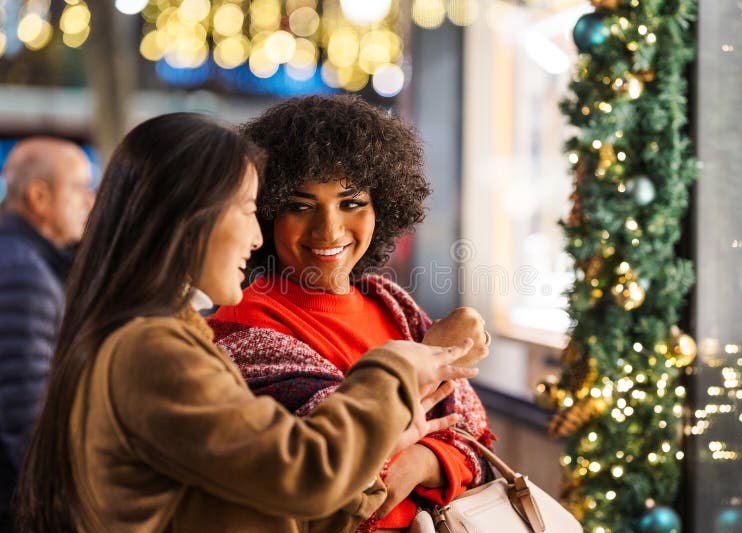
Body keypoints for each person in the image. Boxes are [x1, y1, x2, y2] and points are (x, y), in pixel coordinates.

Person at [13, 113, 479, 533]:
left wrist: (403, 457)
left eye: (351, 202)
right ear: (188, 218)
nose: (257, 236)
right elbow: (306, 471)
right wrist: (394, 365)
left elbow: (268, 496)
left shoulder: (164, 336)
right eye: (249, 209)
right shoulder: (153, 350)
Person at [210, 95, 494, 532]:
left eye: (351, 202)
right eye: (301, 206)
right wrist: (431, 358)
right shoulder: (241, 328)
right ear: (266, 214)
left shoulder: (393, 305)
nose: (329, 229)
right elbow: (336, 468)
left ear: (382, 204)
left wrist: (423, 461)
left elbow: (477, 440)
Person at [0, 138, 93, 531]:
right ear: (39, 197)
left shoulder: (23, 257)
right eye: (79, 188)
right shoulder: (24, 272)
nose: (89, 202)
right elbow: (21, 414)